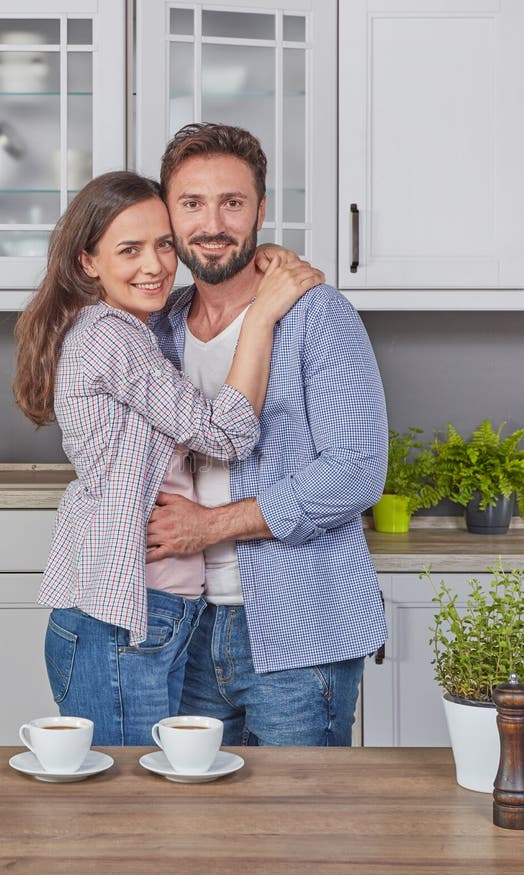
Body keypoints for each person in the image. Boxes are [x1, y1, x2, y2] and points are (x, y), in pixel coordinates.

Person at [13, 170, 320, 745]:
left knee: (147, 798)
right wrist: (261, 315)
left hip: (151, 610)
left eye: (164, 245)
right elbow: (225, 434)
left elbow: (212, 277)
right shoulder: (113, 336)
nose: (155, 265)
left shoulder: (135, 325)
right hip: (127, 616)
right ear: (88, 262)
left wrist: (264, 257)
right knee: (128, 804)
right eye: (129, 249)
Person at [146, 123, 389, 747]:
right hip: (185, 626)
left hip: (300, 627)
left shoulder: (317, 315)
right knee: (196, 834)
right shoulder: (159, 326)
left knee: (298, 829)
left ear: (260, 210)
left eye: (233, 202)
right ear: (167, 215)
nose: (213, 223)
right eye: (192, 203)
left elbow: (356, 471)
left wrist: (209, 525)